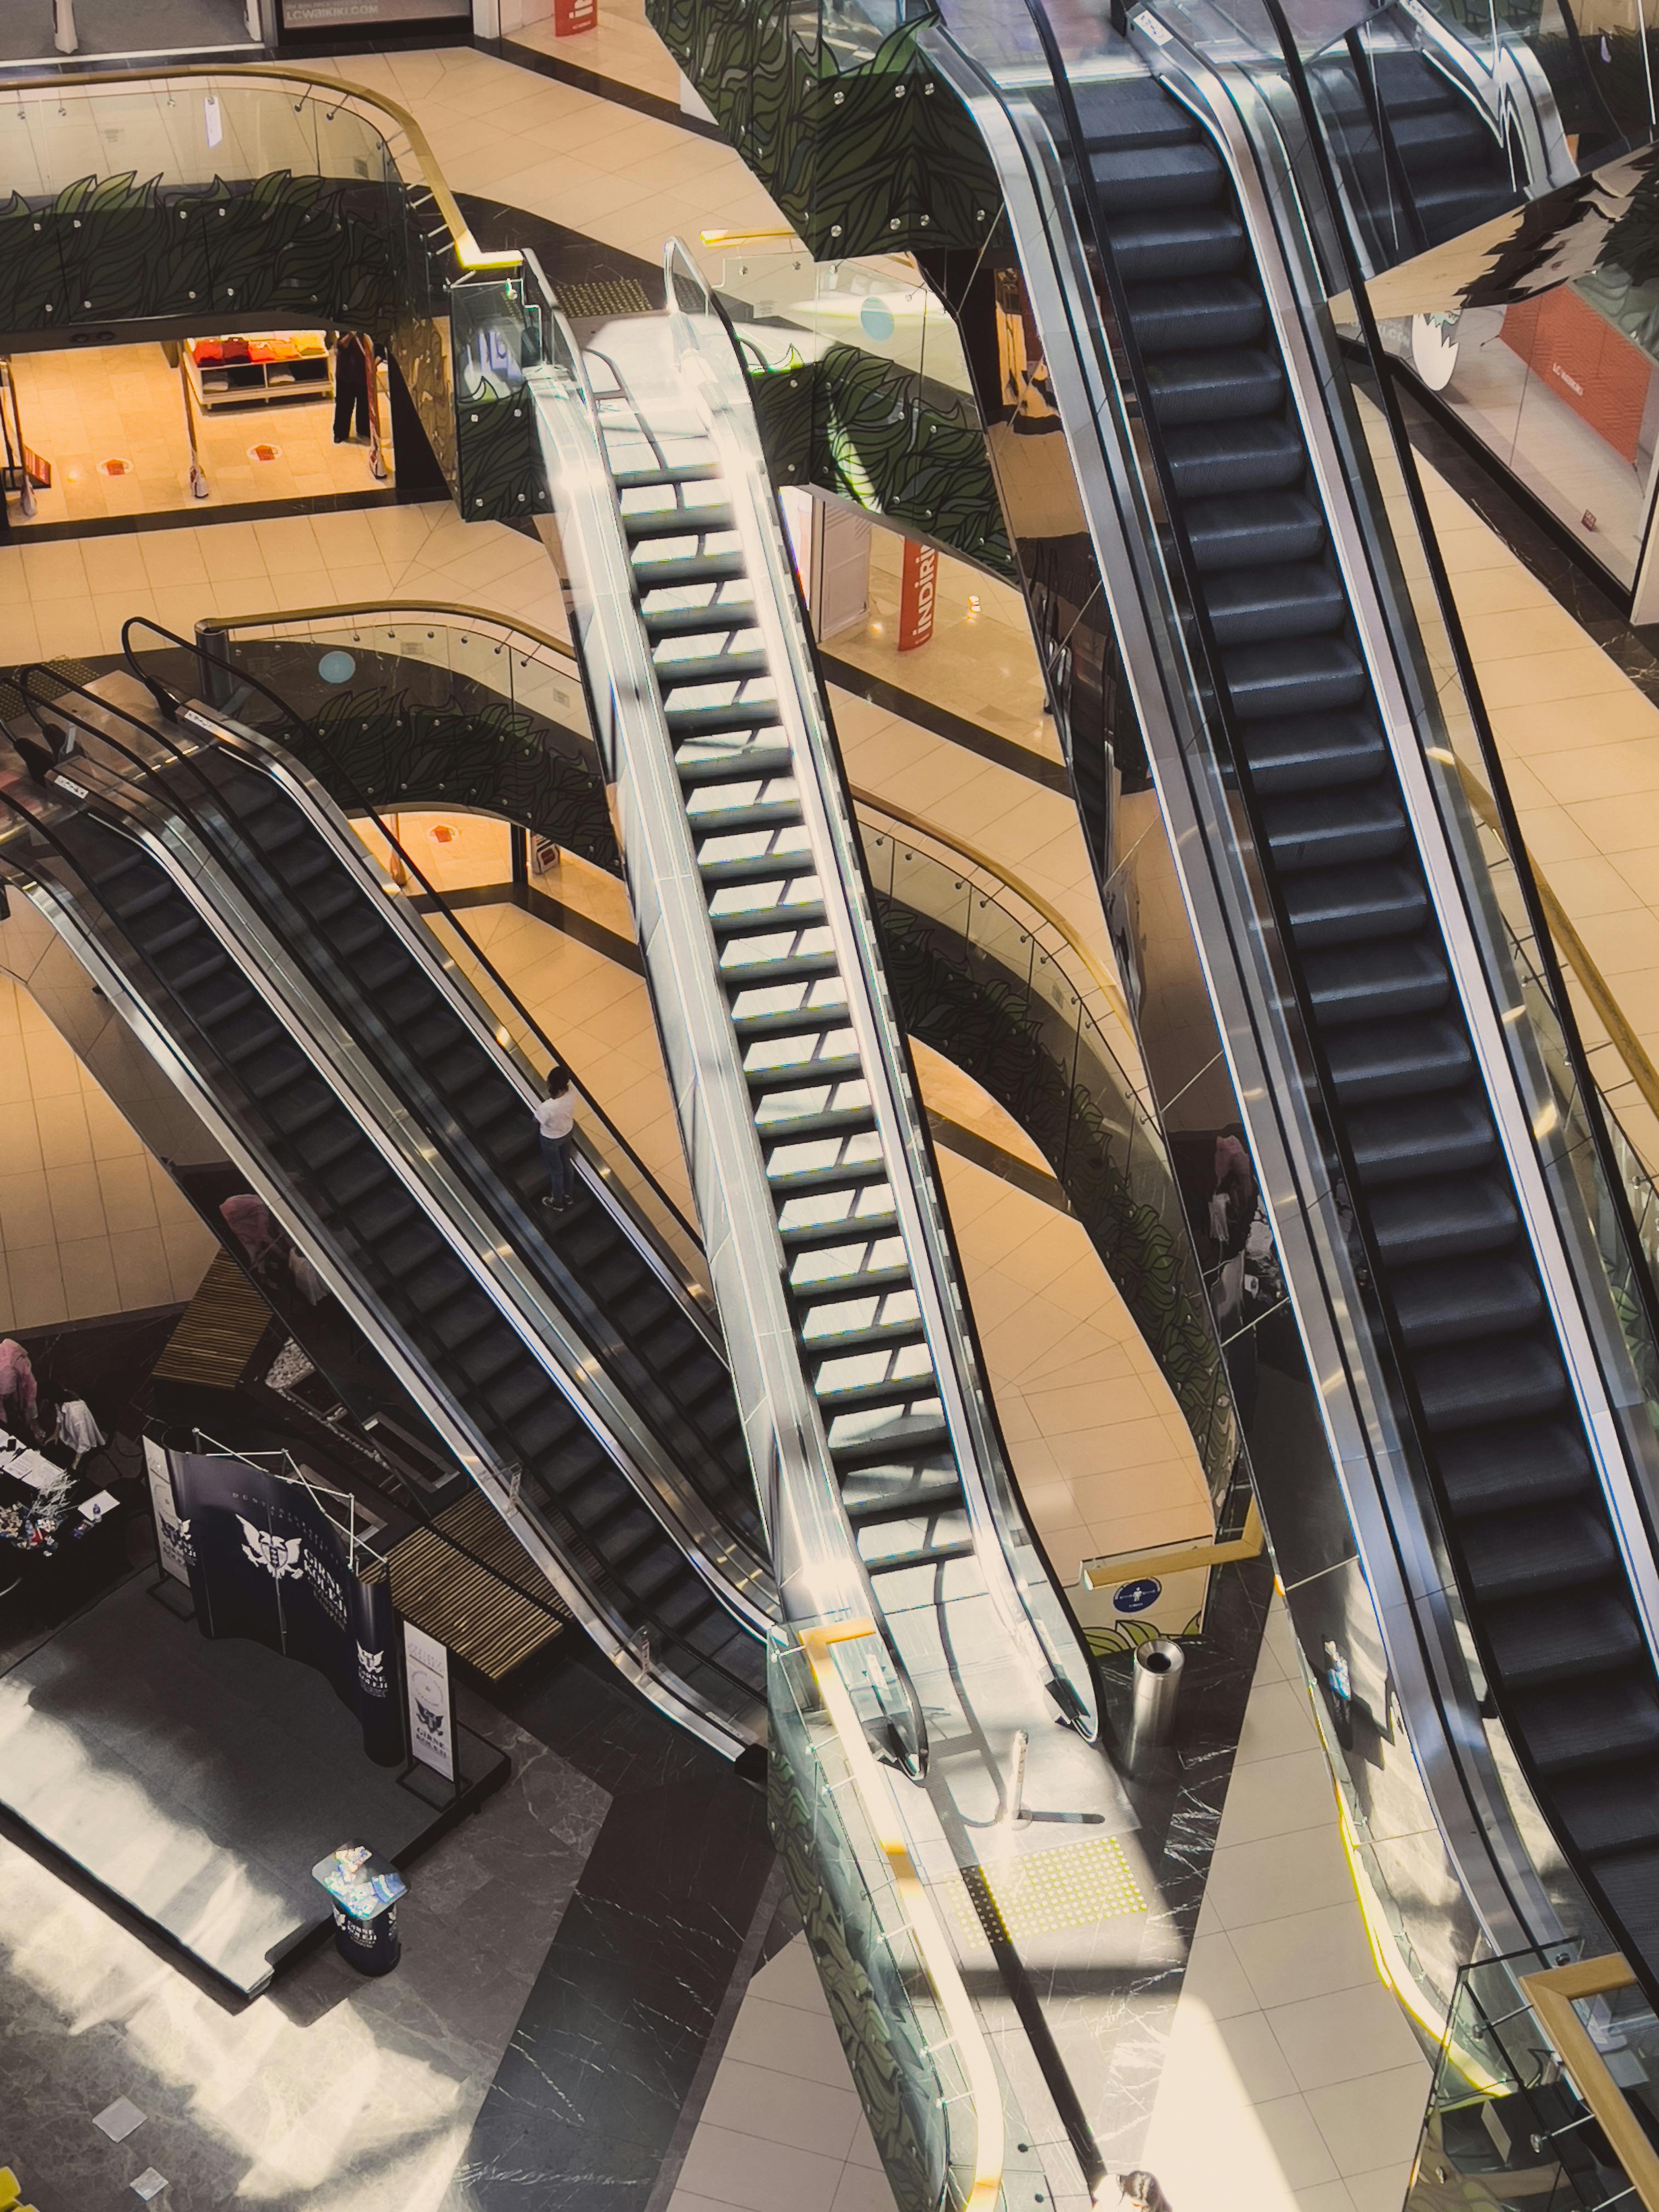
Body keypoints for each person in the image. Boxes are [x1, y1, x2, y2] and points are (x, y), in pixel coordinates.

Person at [535, 1069, 577, 1214]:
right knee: (566, 1163)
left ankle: (557, 1201)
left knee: (556, 1171)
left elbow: (537, 1120)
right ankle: (568, 1195)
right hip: (567, 1132)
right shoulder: (571, 1093)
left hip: (550, 1139)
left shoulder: (548, 1107)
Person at [332, 331, 370, 444]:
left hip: (363, 373)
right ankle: (340, 433)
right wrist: (351, 335)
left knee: (364, 405)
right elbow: (341, 346)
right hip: (346, 372)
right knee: (344, 405)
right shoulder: (346, 325)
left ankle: (363, 430)